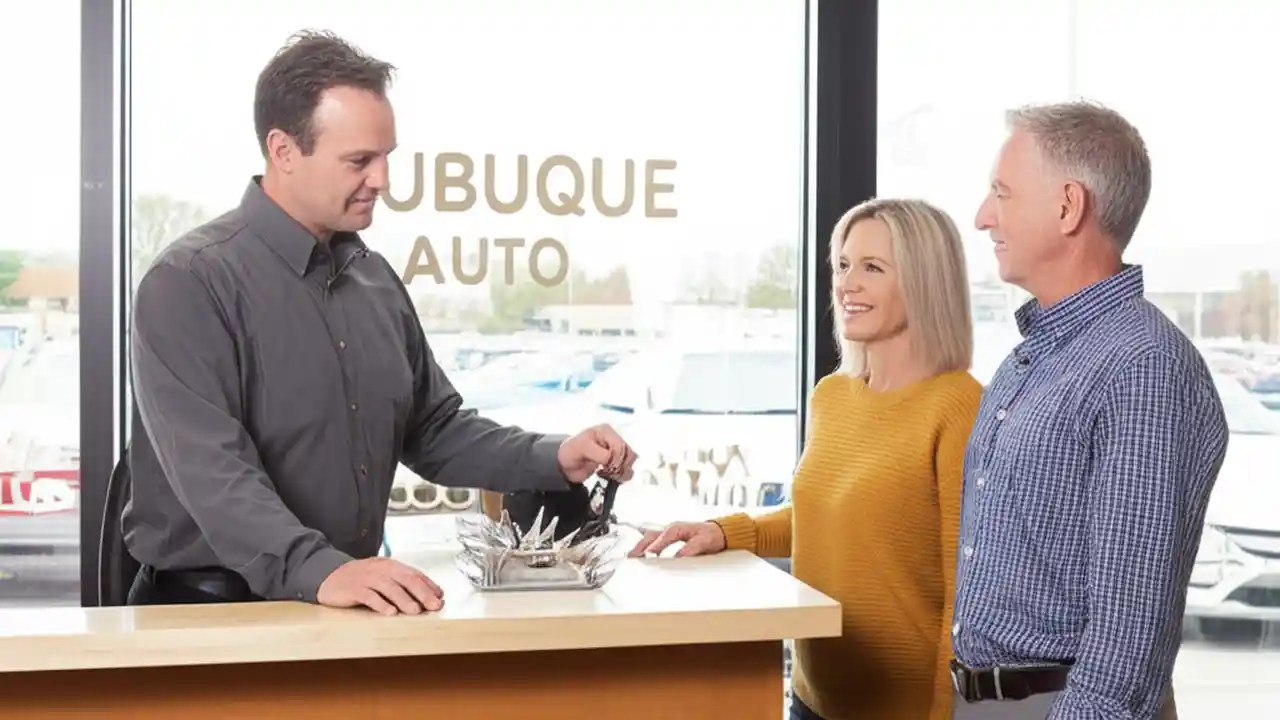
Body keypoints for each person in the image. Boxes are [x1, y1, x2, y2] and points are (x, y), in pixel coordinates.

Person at [124, 30, 637, 614]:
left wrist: (553, 456)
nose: (383, 181)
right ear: (284, 150)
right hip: (210, 618)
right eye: (359, 161)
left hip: (343, 601)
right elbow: (215, 476)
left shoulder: (376, 281)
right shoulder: (189, 282)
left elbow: (434, 429)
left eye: (386, 157)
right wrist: (321, 570)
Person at [629, 198, 982, 720]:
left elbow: (967, 590)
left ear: (926, 281)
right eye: (842, 265)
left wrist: (944, 712)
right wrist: (723, 531)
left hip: (903, 710)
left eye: (872, 268)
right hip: (812, 698)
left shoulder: (960, 404)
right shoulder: (832, 397)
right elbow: (823, 520)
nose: (847, 284)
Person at [948, 101, 1228, 719]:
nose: (982, 216)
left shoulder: (1142, 367)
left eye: (1002, 192)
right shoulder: (1035, 356)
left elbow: (1129, 637)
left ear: (1068, 206)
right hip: (989, 702)